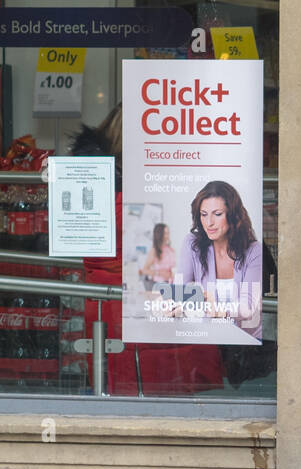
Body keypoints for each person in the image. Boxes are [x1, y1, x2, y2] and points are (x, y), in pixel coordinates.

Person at [68, 105, 225, 395]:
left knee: (124, 400)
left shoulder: (91, 189)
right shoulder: (150, 194)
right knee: (165, 403)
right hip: (152, 314)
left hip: (111, 313)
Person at [177, 180, 263, 340]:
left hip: (246, 343)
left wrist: (216, 309)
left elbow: (248, 307)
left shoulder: (254, 250)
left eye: (217, 214)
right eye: (204, 214)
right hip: (206, 339)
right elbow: (179, 291)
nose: (209, 222)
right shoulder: (192, 243)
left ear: (233, 215)